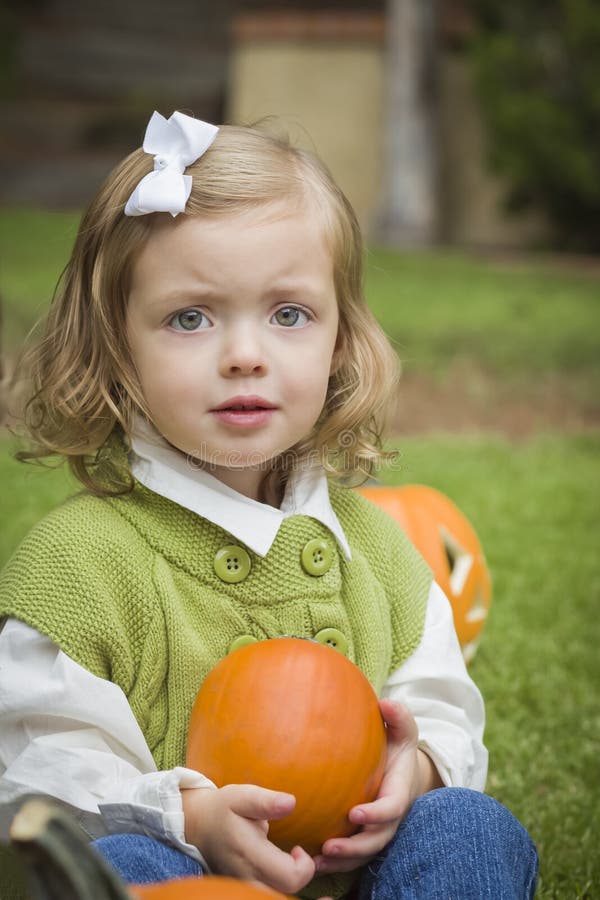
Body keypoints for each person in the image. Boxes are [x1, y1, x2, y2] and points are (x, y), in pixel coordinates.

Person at [0, 111, 538, 899]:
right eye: (191, 317)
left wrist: (414, 766)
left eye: (289, 314)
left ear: (339, 342)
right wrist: (191, 815)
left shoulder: (378, 552)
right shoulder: (76, 566)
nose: (245, 355)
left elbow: (441, 701)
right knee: (116, 870)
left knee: (472, 827)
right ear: (116, 348)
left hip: (358, 873)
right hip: (184, 867)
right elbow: (41, 765)